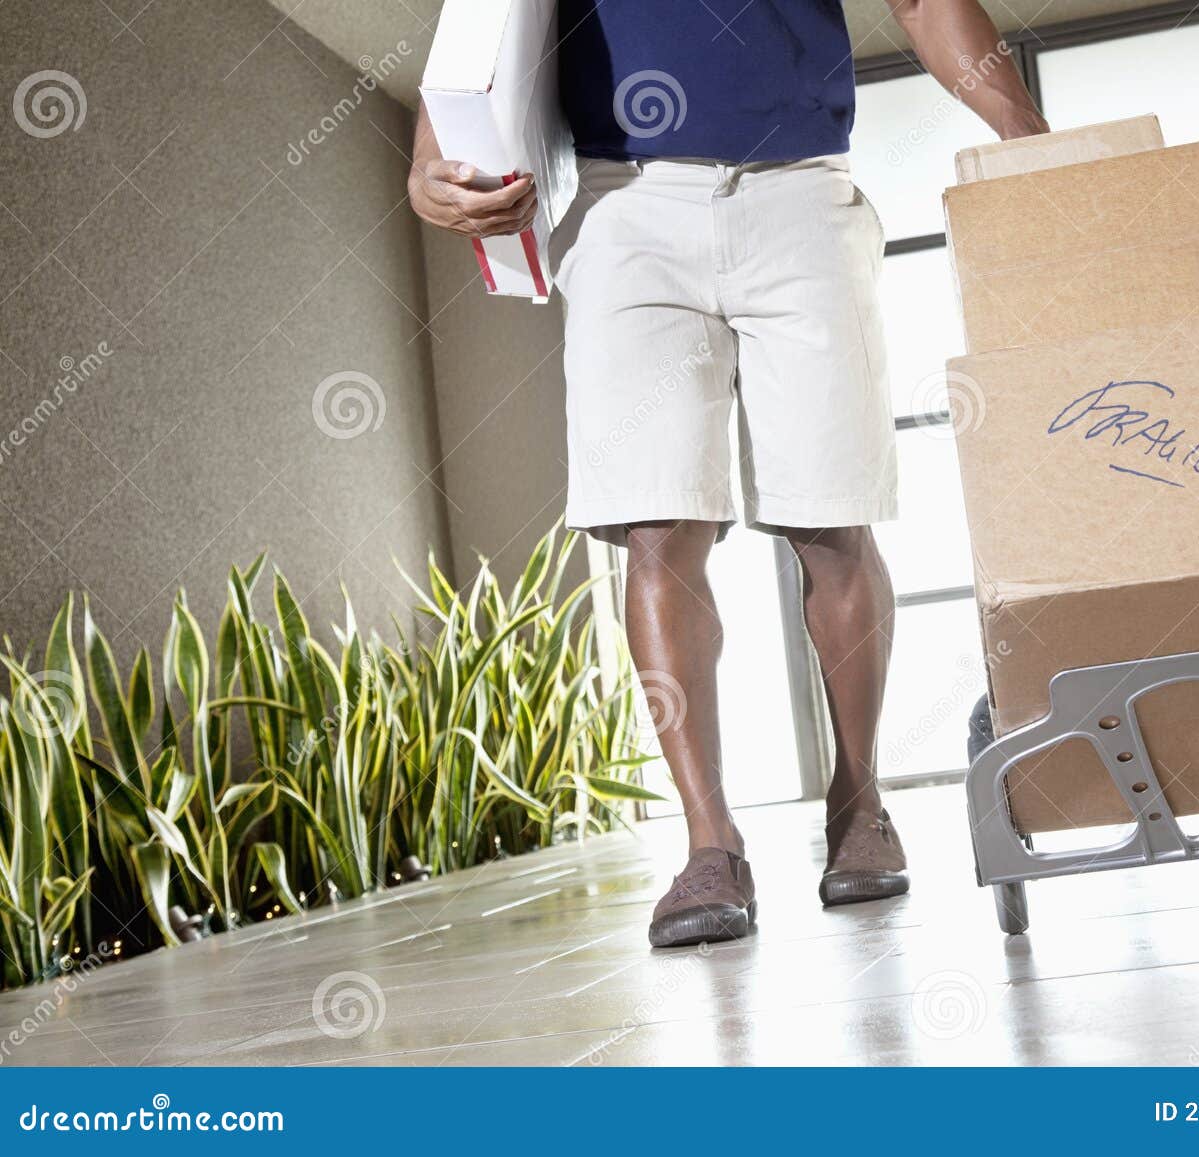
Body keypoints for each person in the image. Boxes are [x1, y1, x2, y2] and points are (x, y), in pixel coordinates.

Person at [407, 0, 1048, 947]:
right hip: (627, 204)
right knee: (656, 527)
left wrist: (1025, 132)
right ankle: (711, 843)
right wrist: (430, 167)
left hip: (802, 192)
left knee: (831, 520)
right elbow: (482, 28)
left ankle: (858, 801)